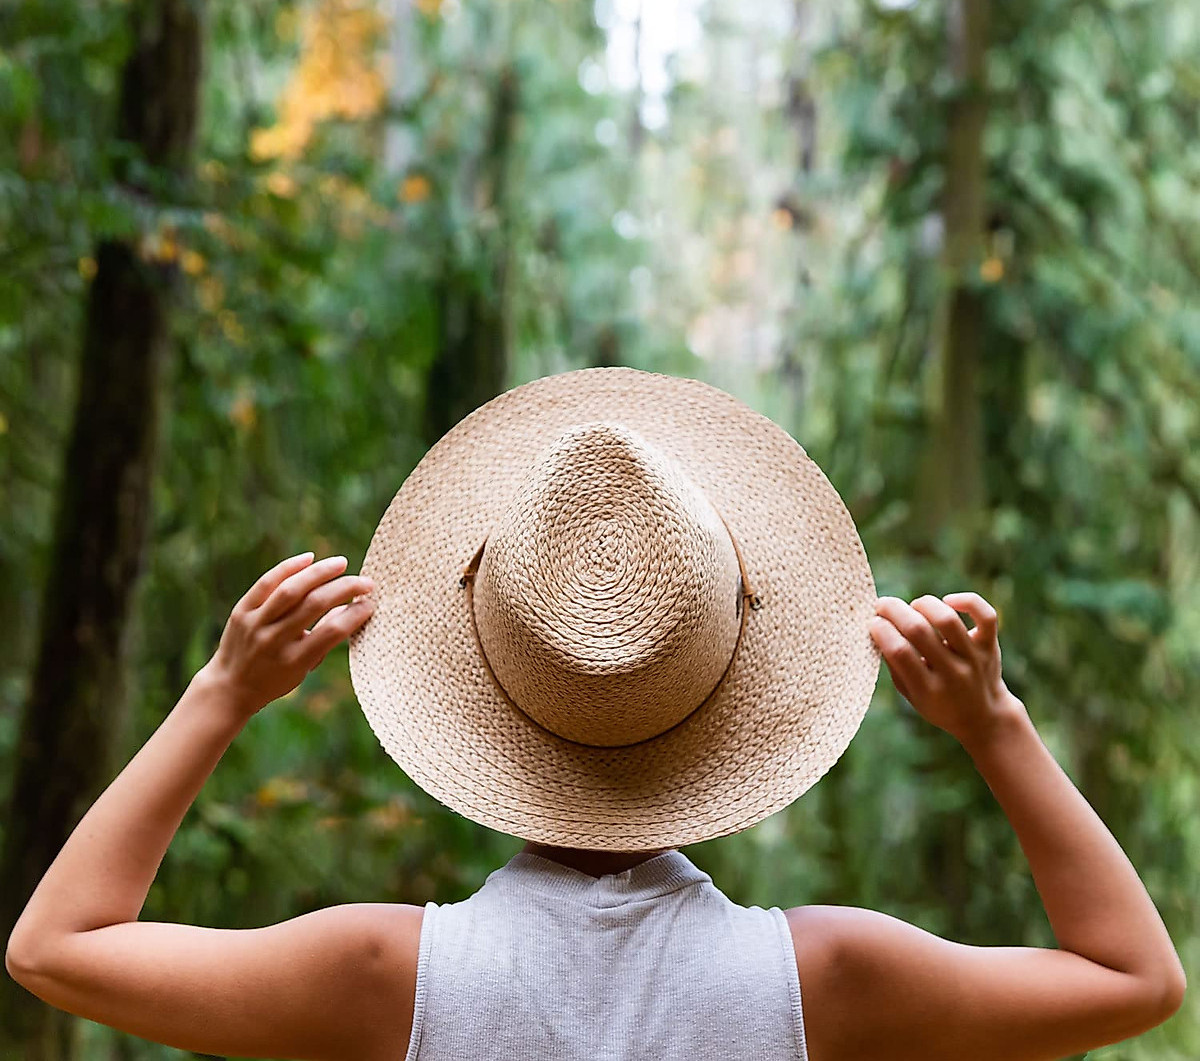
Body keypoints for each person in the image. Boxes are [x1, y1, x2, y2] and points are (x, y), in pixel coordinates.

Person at [6, 368, 1186, 1061]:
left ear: (484, 687)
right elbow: (1134, 979)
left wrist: (221, 695)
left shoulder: (381, 974)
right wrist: (996, 728)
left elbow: (55, 949)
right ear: (735, 685)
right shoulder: (823, 978)